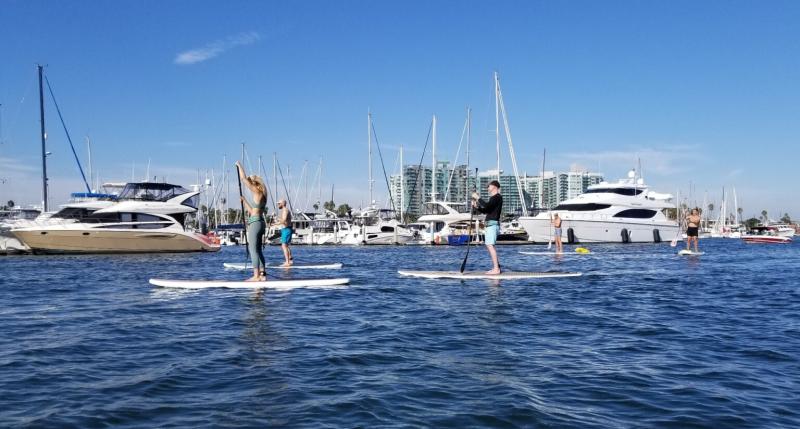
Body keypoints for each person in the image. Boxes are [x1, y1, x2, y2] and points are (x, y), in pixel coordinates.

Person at [236, 161, 267, 281]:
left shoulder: (257, 191)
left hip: (255, 224)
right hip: (260, 222)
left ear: (254, 184)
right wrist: (244, 201)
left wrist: (239, 166)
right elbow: (252, 211)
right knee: (258, 250)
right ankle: (263, 275)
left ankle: (256, 276)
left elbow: (243, 179)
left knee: (252, 250)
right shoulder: (263, 195)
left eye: (251, 183)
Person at [472, 180, 503, 275]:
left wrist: (478, 198)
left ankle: (496, 269)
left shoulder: (497, 197)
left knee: (490, 245)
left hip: (492, 225)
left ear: (494, 186)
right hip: (490, 225)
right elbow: (486, 210)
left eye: (488, 186)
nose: (487, 188)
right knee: (490, 245)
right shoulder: (494, 198)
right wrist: (476, 207)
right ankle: (497, 267)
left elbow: (486, 205)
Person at [273, 199, 294, 267]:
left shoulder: (285, 210)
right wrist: (276, 221)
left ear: (282, 203)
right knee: (286, 245)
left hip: (286, 229)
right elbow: (283, 221)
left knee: (284, 245)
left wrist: (276, 221)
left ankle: (287, 262)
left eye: (279, 203)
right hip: (286, 229)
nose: (278, 205)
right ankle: (290, 260)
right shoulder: (284, 210)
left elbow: (284, 220)